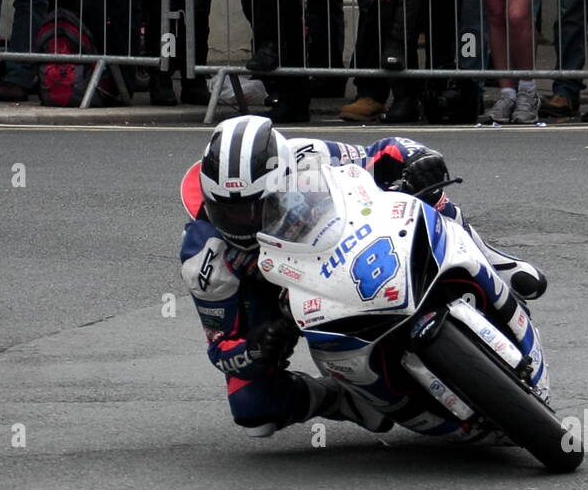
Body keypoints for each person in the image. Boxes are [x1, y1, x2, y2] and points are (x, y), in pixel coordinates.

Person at [180, 114, 545, 440]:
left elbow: (385, 152)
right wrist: (255, 349)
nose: (244, 222)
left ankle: (492, 260)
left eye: (256, 208)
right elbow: (220, 346)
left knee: (428, 192)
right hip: (279, 294)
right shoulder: (204, 259)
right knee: (252, 408)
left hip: (339, 237)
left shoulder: (306, 154)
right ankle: (347, 399)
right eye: (230, 212)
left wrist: (420, 160)